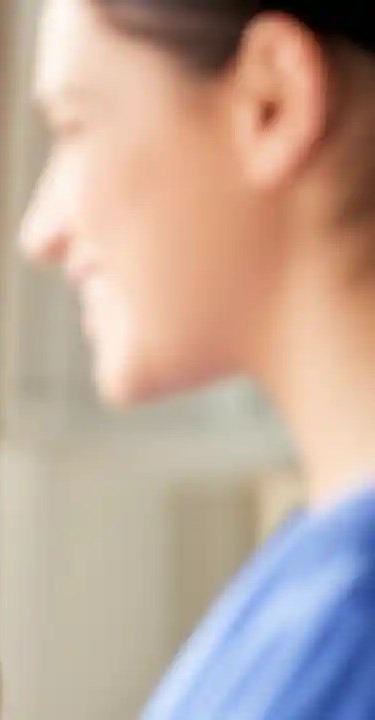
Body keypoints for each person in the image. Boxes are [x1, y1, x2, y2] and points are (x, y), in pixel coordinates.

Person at [23, 0, 375, 717]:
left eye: (74, 126)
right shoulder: (311, 580)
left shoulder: (345, 637)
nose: (42, 231)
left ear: (271, 103)